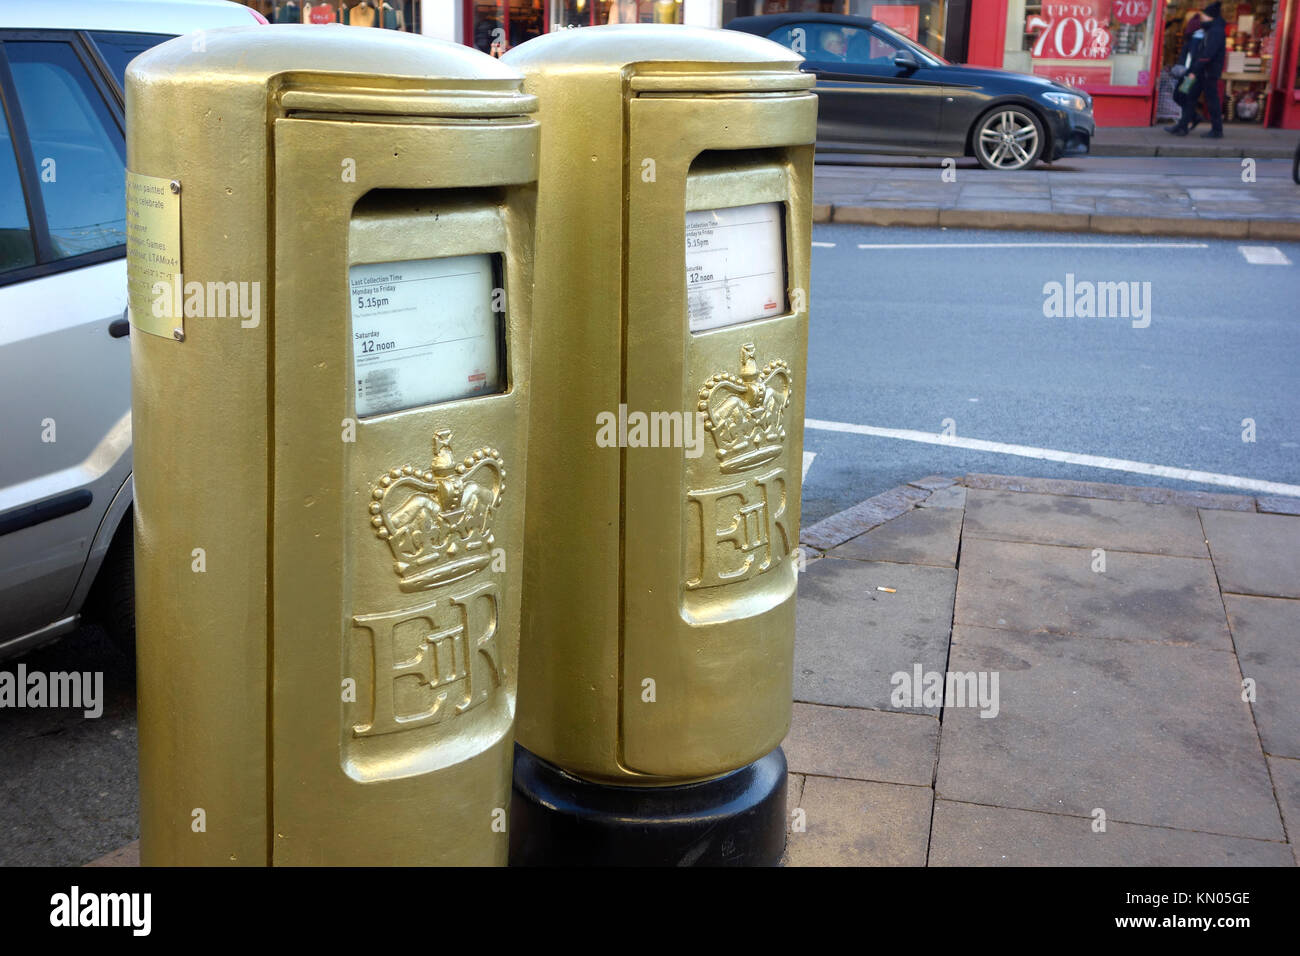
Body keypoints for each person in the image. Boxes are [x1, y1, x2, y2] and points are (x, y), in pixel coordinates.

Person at [1166, 11, 1206, 135]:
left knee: (1184, 97)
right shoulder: (1198, 38)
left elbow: (1191, 58)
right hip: (1191, 73)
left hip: (1191, 75)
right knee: (1182, 97)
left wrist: (1189, 72)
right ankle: (1191, 119)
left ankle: (1183, 126)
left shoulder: (1196, 39)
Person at [1193, 1, 1227, 138]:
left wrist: (1197, 66)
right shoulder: (1212, 30)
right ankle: (1188, 121)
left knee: (1212, 100)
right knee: (1206, 98)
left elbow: (1209, 53)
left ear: (1211, 17)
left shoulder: (1215, 31)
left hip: (1209, 71)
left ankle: (1217, 129)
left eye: (1205, 15)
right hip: (1207, 70)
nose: (1202, 18)